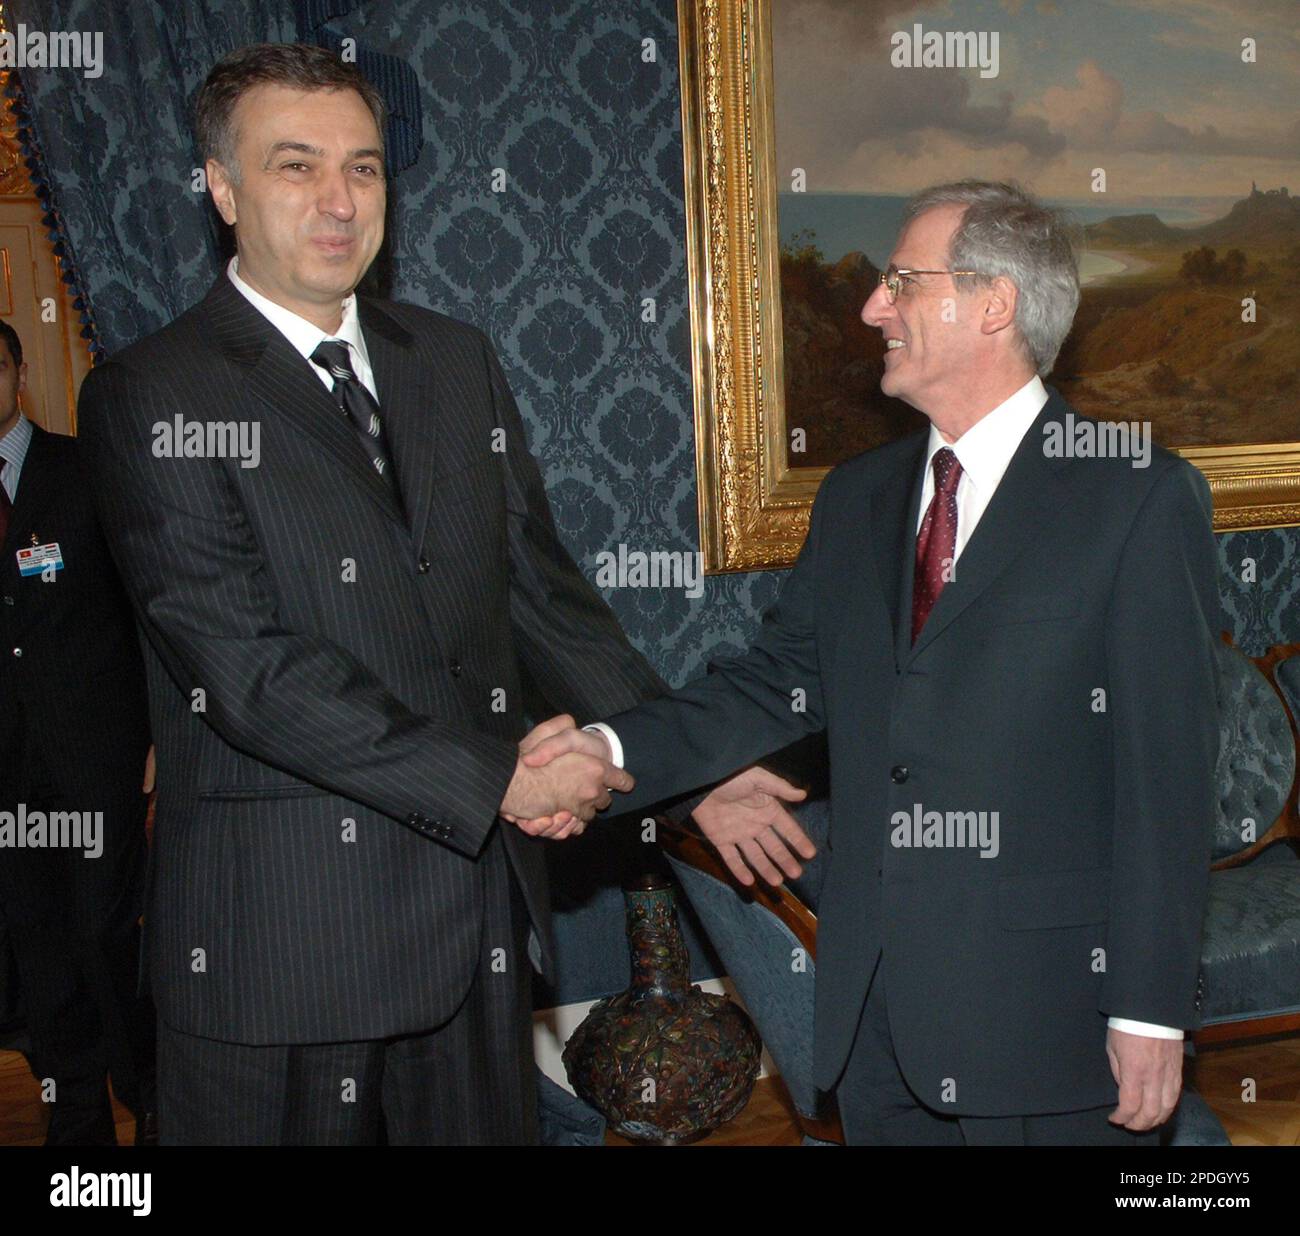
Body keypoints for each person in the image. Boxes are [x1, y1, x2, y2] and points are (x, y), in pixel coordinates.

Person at [76, 43, 812, 1146]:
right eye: (295, 166)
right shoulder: (151, 391)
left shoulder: (453, 362)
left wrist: (674, 771)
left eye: (365, 168)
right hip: (279, 953)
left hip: (474, 929)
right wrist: (497, 780)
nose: (338, 202)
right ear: (222, 191)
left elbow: (545, 602)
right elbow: (246, 670)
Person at [517, 181, 1222, 1146]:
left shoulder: (1137, 496)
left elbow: (1167, 783)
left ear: (993, 304)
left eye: (899, 282)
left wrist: (1148, 1010)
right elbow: (773, 684)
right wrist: (601, 749)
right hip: (876, 1012)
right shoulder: (859, 497)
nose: (869, 308)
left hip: (1050, 1016)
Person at [0, 320, 156, 1145]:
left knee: (104, 933)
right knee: (40, 947)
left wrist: (160, 733)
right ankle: (79, 1116)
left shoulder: (82, 469)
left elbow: (144, 607)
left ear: (18, 372)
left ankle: (151, 1090)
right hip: (8, 778)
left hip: (97, 759)